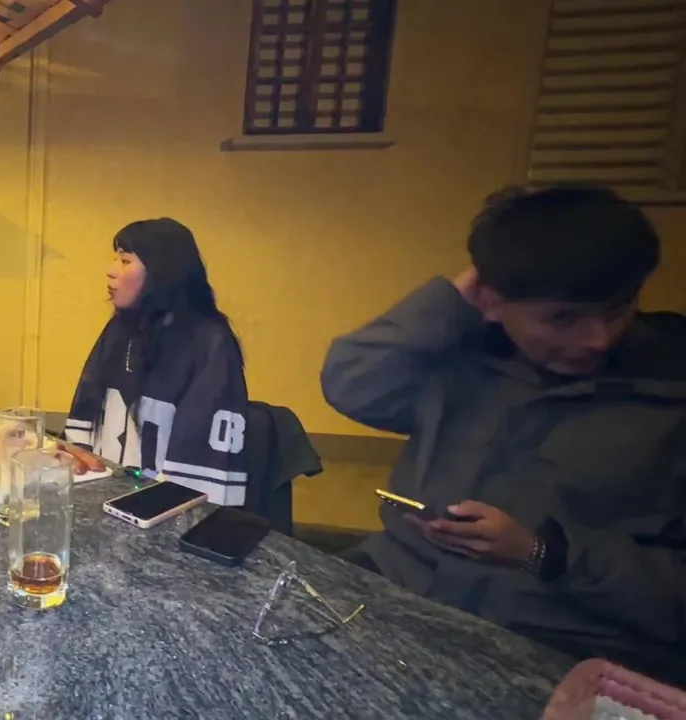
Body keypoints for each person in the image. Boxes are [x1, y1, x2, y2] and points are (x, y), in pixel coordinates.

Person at [322, 185, 686, 685]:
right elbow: (351, 382)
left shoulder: (668, 393)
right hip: (398, 593)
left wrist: (541, 553)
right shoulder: (465, 356)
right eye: (563, 318)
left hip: (552, 646)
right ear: (491, 301)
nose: (597, 339)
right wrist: (453, 300)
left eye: (617, 309)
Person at [64, 218, 250, 506]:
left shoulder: (208, 341)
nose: (111, 270)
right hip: (106, 499)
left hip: (162, 510)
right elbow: (86, 411)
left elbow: (199, 462)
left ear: (161, 273)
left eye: (125, 260)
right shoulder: (121, 328)